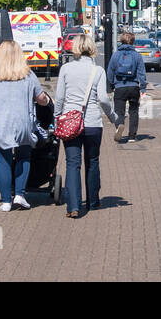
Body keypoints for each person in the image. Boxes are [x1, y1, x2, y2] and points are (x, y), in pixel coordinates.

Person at [55, 34, 119, 218]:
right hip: (92, 123)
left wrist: (56, 117)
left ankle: (73, 206)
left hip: (70, 123)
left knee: (72, 164)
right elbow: (103, 100)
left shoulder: (65, 69)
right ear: (91, 48)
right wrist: (113, 117)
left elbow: (59, 98)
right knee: (92, 162)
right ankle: (93, 201)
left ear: (74, 48)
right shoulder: (97, 71)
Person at [0, 40, 51, 212]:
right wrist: (48, 101)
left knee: (3, 159)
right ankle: (20, 195)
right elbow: (40, 98)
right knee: (23, 155)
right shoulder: (27, 75)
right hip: (21, 121)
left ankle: (6, 201)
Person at [108, 30, 147, 144]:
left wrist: (111, 85)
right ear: (133, 42)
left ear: (121, 41)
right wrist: (143, 88)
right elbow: (141, 73)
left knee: (119, 111)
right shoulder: (137, 55)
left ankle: (119, 125)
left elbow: (110, 72)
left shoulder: (116, 55)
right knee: (134, 111)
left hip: (120, 87)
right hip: (134, 87)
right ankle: (132, 136)